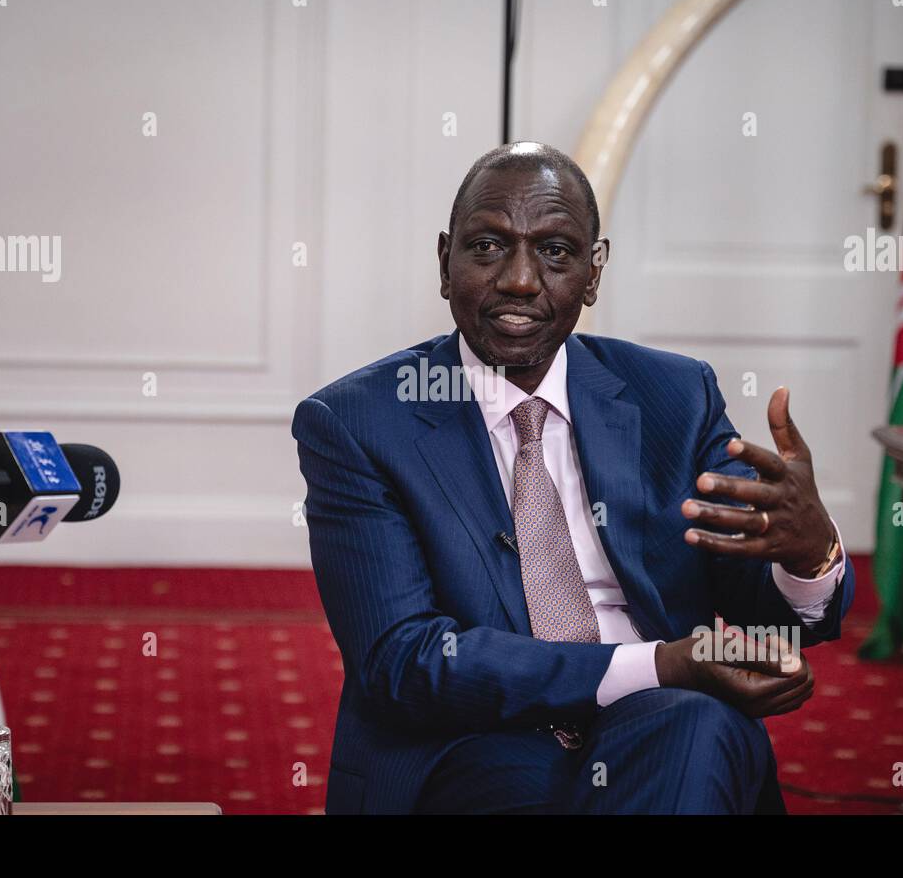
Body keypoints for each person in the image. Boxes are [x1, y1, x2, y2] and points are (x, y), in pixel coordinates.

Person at [292, 142, 854, 814]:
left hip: (661, 720)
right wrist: (658, 664)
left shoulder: (674, 395)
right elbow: (405, 662)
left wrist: (807, 553)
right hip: (471, 738)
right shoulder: (358, 422)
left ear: (593, 272)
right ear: (445, 262)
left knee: (697, 727)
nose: (522, 281)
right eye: (488, 247)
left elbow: (766, 611)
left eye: (556, 251)